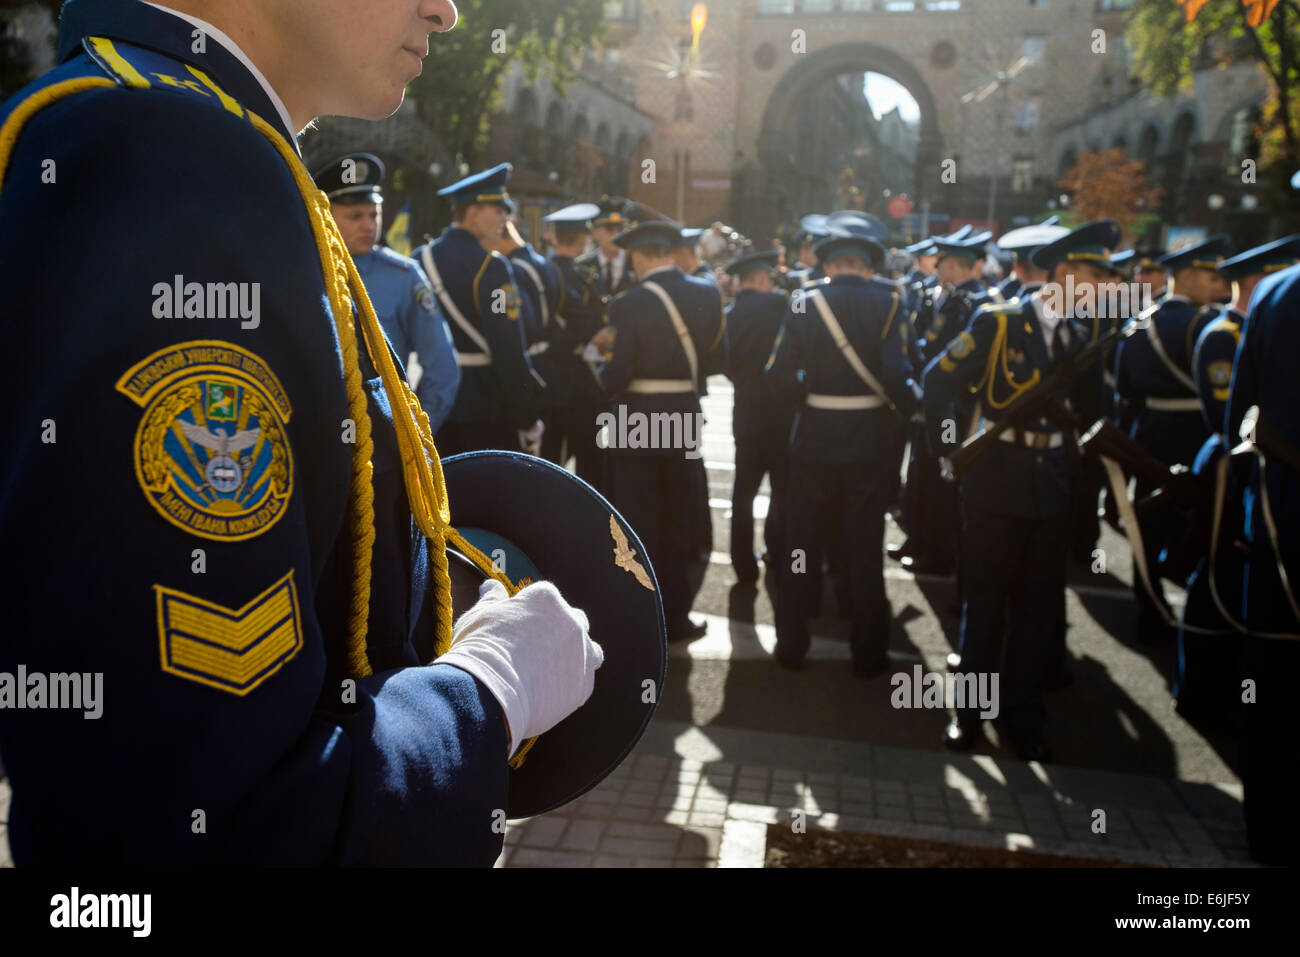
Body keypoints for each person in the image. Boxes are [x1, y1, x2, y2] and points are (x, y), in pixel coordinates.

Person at [0, 0, 602, 866]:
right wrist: (487, 696)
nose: (448, 8)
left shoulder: (192, 131)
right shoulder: (174, 153)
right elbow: (199, 820)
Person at [924, 220, 1119, 762]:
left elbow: (1095, 417)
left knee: (1037, 608)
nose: (1103, 283)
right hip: (995, 474)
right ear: (1061, 272)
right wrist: (948, 451)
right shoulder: (999, 321)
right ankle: (969, 713)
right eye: (1094, 272)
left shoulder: (1084, 337)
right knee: (984, 606)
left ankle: (1023, 716)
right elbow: (938, 381)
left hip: (1051, 480)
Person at [766, 230, 916, 675]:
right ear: (868, 268)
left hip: (813, 436)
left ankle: (792, 645)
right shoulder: (890, 302)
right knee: (865, 548)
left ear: (829, 266)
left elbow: (777, 373)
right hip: (868, 439)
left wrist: (807, 397)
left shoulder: (802, 300)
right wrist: (910, 409)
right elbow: (897, 374)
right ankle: (869, 653)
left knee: (801, 547)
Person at [593, 220, 726, 643]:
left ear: (638, 256)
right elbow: (717, 360)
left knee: (636, 518)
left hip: (634, 418)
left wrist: (597, 370)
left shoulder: (628, 303)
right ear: (669, 252)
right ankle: (677, 614)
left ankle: (637, 612)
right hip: (683, 414)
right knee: (679, 518)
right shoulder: (707, 292)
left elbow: (618, 374)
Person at [1113, 235, 1231, 641]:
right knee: (1202, 525)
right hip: (1198, 436)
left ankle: (1150, 611)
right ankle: (1201, 616)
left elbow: (1123, 389)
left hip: (1149, 435)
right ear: (1185, 276)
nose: (1219, 285)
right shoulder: (1206, 325)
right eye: (1210, 276)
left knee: (1147, 523)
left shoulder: (1138, 322)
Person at [1223, 260, 1300, 864]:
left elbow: (1239, 418)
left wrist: (1244, 508)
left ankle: (1267, 831)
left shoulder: (1274, 292)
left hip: (1279, 516)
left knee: (1268, 684)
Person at [314, 151, 461, 432]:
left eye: (374, 214)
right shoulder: (304, 271)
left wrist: (413, 434)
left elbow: (442, 369)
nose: (369, 225)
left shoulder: (404, 277)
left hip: (380, 436)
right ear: (324, 214)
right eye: (355, 215)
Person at [413, 163, 545, 456]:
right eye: (498, 210)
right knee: (487, 498)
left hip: (431, 402)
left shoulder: (419, 259)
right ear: (473, 212)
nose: (505, 218)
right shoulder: (493, 267)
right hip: (486, 405)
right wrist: (527, 416)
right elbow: (509, 350)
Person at [722, 250, 790, 586]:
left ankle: (742, 563)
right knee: (782, 489)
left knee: (743, 491)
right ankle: (776, 552)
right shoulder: (782, 305)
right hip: (782, 412)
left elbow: (725, 363)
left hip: (747, 412)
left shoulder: (731, 314)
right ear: (763, 278)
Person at [543, 202, 611, 491]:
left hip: (547, 378)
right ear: (583, 238)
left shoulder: (538, 272)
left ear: (554, 236)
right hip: (581, 381)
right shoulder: (584, 278)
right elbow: (591, 322)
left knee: (549, 462)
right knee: (591, 465)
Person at [577, 197, 636, 300]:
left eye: (620, 229)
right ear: (595, 233)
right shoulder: (582, 266)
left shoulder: (635, 265)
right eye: (609, 230)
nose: (616, 236)